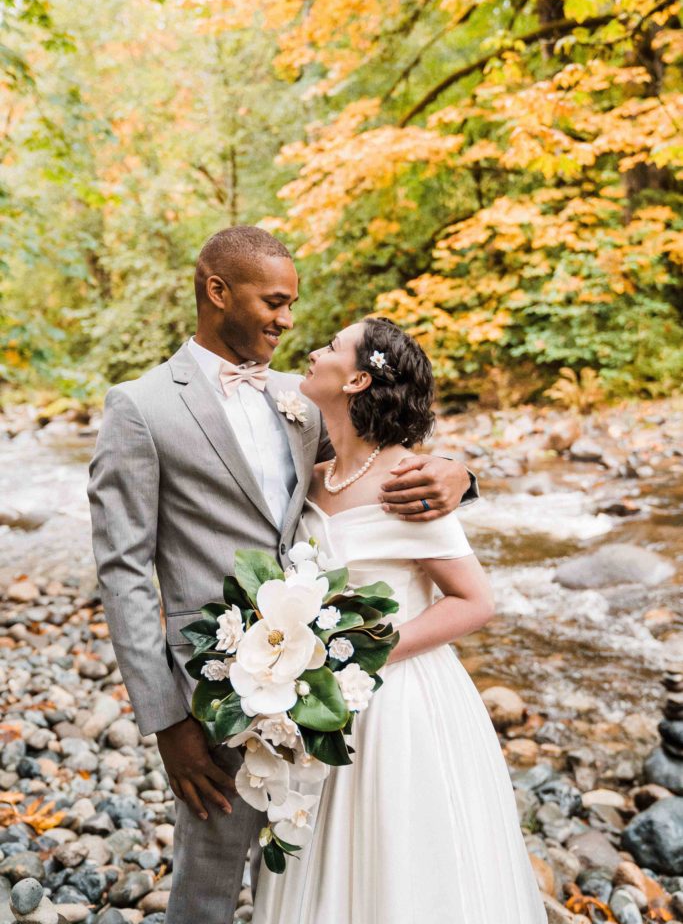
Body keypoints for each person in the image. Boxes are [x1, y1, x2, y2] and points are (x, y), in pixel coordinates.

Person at [87, 226, 477, 924]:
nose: (289, 320)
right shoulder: (140, 407)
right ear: (217, 291)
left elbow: (376, 458)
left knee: (312, 868)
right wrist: (167, 722)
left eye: (291, 303)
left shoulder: (302, 397)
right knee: (207, 881)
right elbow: (124, 572)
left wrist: (461, 473)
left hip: (316, 687)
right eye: (274, 301)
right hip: (213, 687)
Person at [252, 316, 548, 924]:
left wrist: (363, 655)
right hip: (318, 701)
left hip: (398, 701)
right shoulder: (312, 476)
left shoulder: (409, 483)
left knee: (399, 854)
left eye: (332, 346)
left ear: (357, 379)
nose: (313, 351)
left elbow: (475, 600)